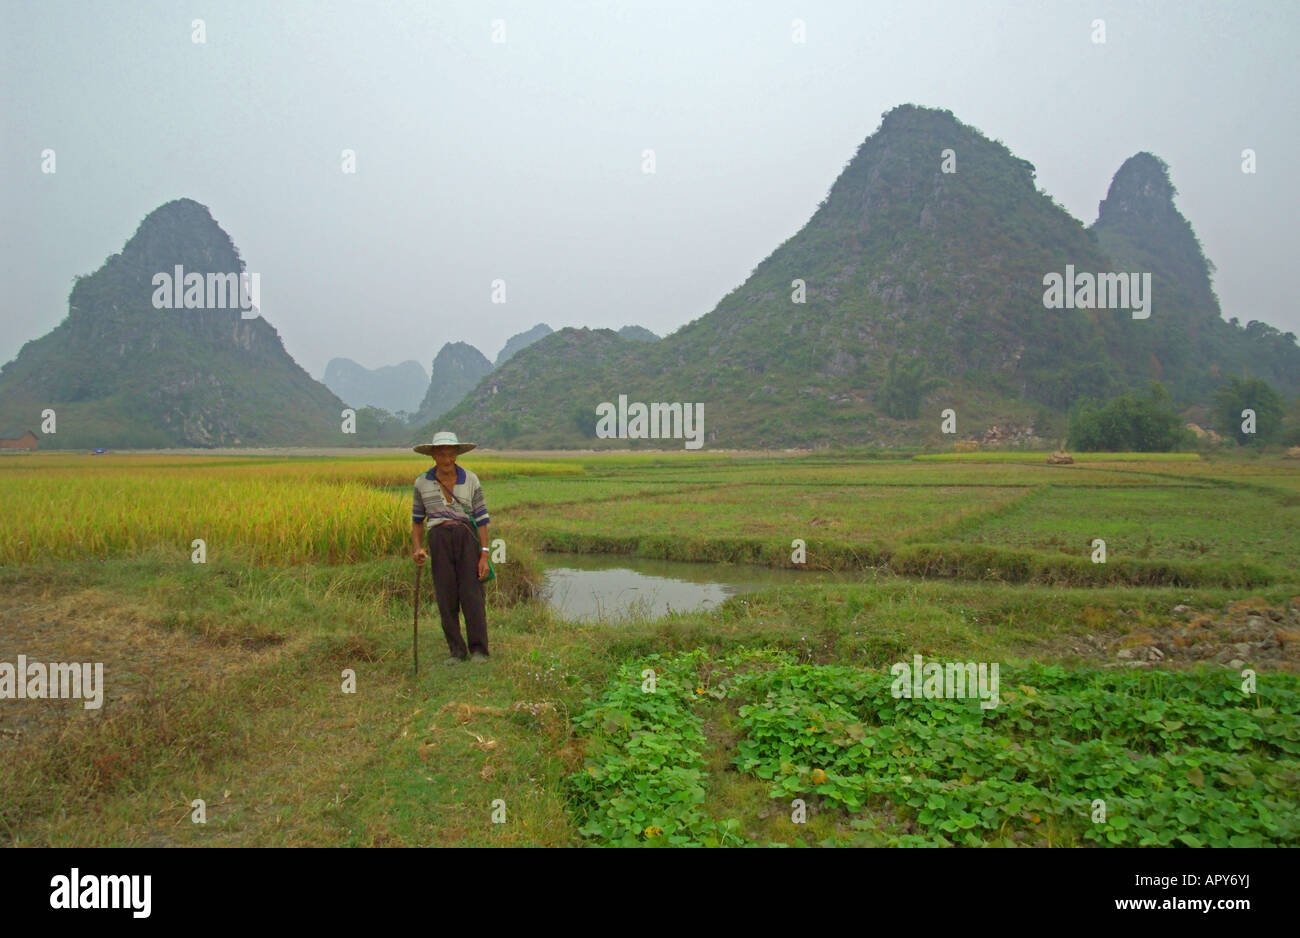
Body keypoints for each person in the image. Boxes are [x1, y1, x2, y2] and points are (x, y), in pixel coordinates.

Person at [411, 431, 492, 663]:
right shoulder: (422, 483)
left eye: (450, 454)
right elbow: (417, 521)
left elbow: (482, 519)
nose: (447, 460)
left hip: (467, 537)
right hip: (438, 538)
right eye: (441, 454)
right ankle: (456, 651)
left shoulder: (471, 480)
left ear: (456, 455)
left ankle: (478, 649)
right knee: (446, 595)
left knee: (472, 594)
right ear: (433, 456)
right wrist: (418, 549)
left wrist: (484, 554)